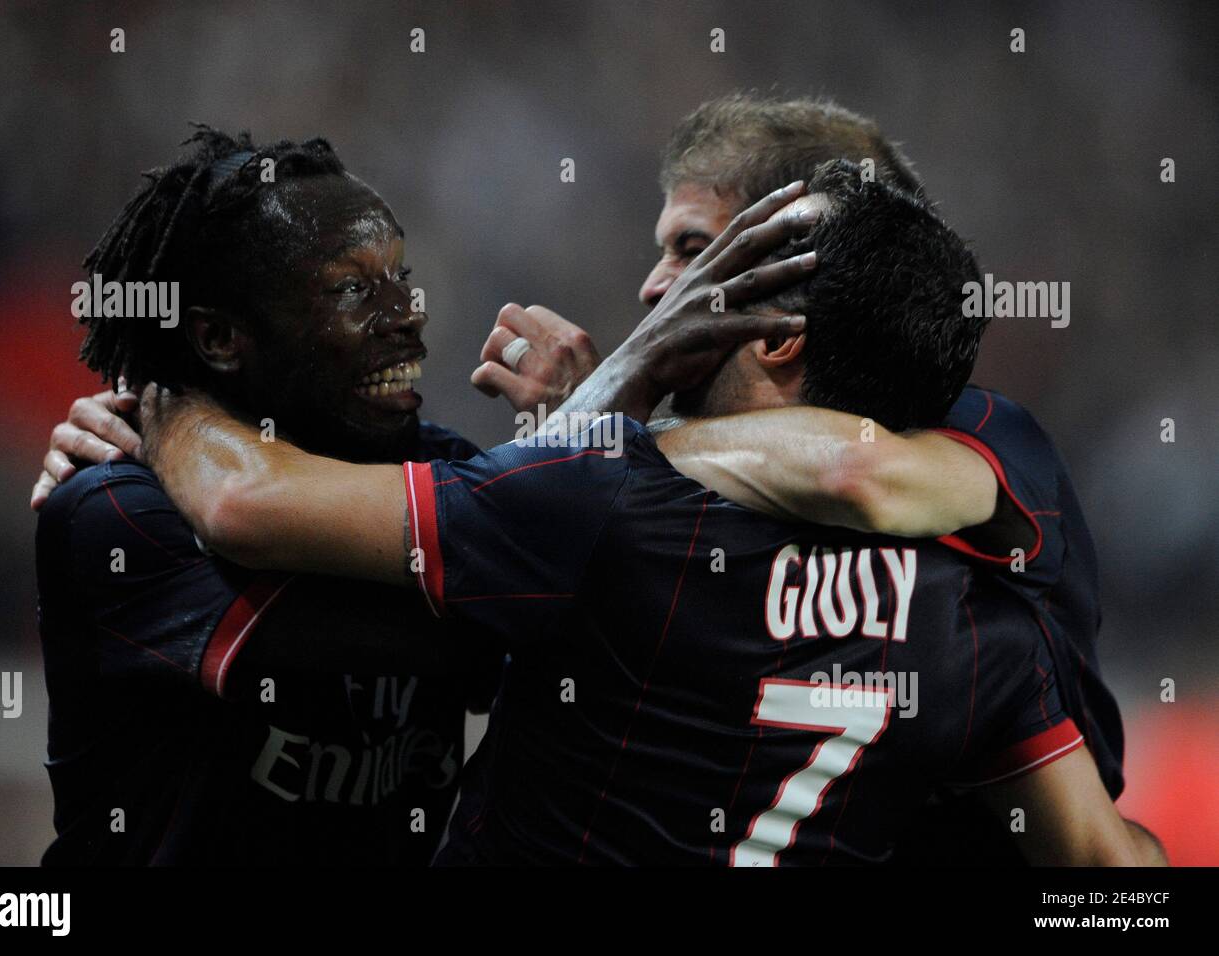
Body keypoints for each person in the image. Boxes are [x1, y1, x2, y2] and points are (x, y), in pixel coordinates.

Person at [125, 163, 1161, 865]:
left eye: (713, 263)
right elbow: (1108, 860)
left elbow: (241, 499)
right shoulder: (975, 610)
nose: (669, 289)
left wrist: (152, 397)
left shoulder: (606, 498)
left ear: (774, 335)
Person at [33, 127, 812, 864]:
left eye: (399, 278)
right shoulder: (117, 509)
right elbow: (398, 632)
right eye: (351, 290)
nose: (407, 315)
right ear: (219, 339)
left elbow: (540, 642)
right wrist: (590, 435)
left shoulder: (432, 462)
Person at [469, 94, 1127, 863]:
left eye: (693, 248)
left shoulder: (983, 433)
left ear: (805, 263)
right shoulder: (699, 517)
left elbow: (854, 467)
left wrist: (605, 414)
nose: (658, 287)